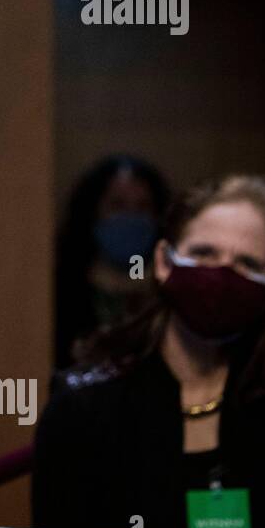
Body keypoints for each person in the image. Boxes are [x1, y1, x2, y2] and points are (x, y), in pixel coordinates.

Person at [34, 174, 265, 528]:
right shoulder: (85, 403)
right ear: (163, 261)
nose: (222, 273)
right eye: (203, 253)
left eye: (248, 264)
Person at [53, 155, 169, 372]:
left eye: (143, 206)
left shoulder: (170, 291)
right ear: (92, 213)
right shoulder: (62, 290)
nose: (131, 217)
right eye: (118, 205)